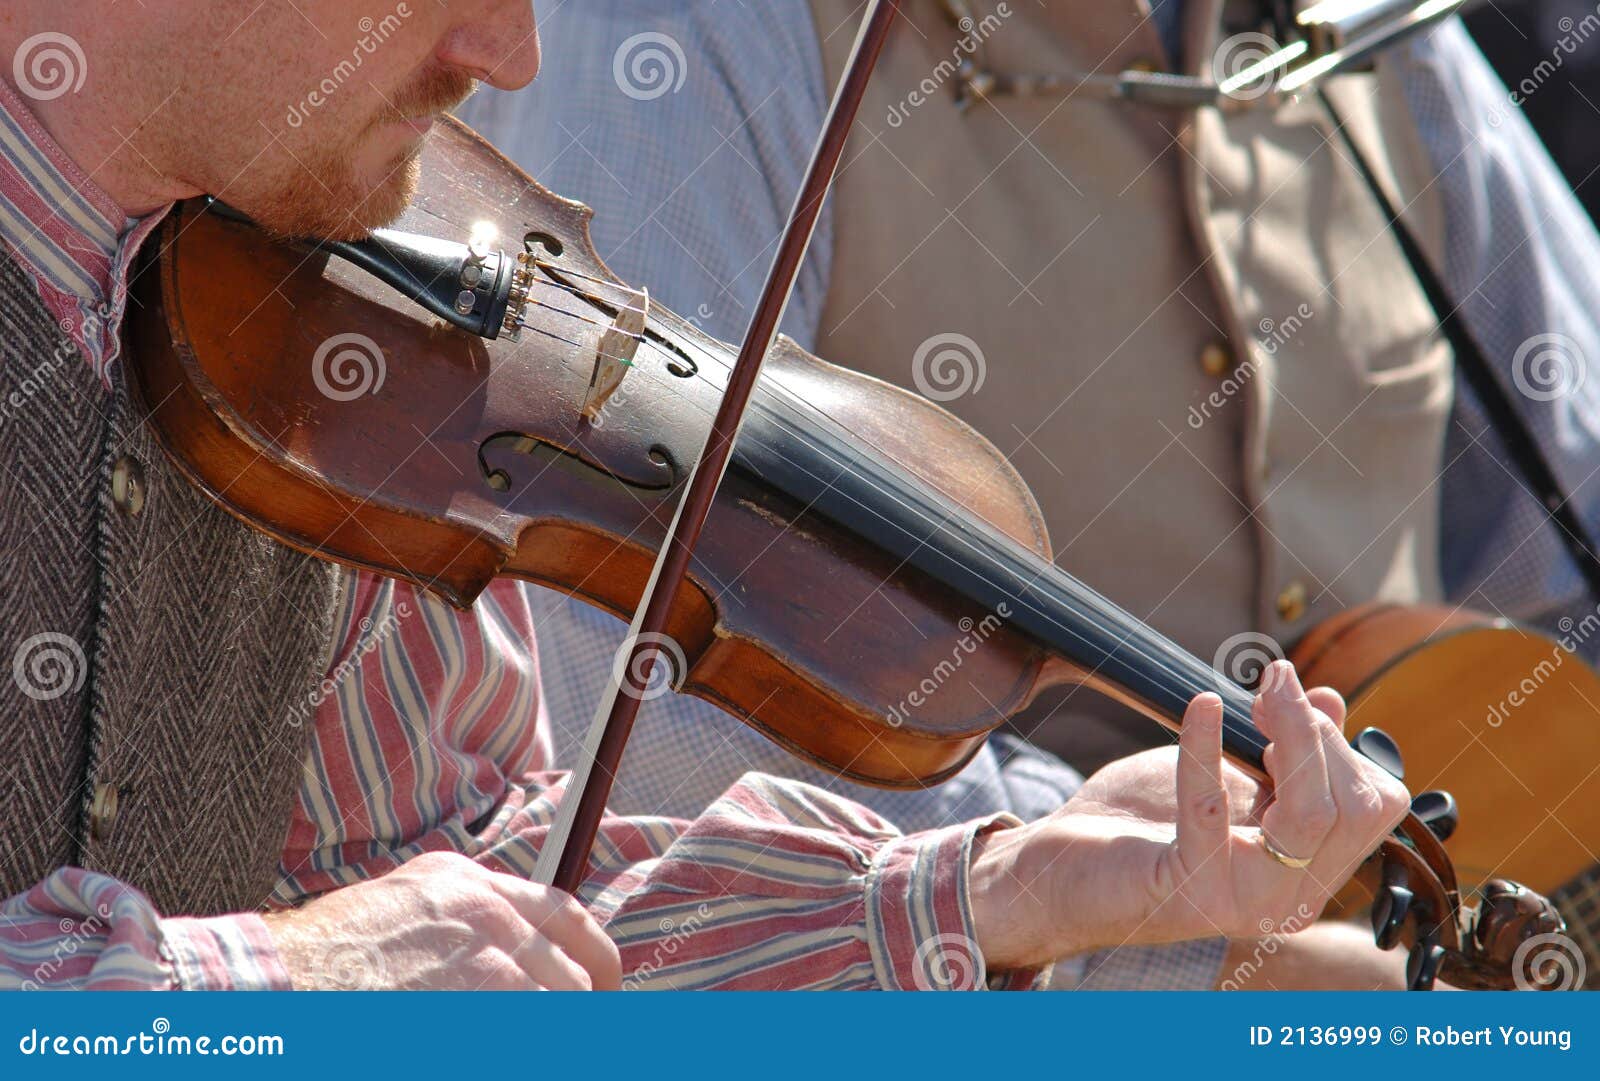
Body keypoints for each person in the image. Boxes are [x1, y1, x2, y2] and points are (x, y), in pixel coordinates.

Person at [0, 0, 1409, 992]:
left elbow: (466, 893)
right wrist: (270, 985)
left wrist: (989, 895)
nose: (512, 53)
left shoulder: (325, 312)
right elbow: (351, 962)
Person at [457, 0, 1600, 988]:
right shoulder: (683, 36)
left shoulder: (1379, 33)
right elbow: (628, 701)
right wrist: (1165, 934)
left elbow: (1573, 505)